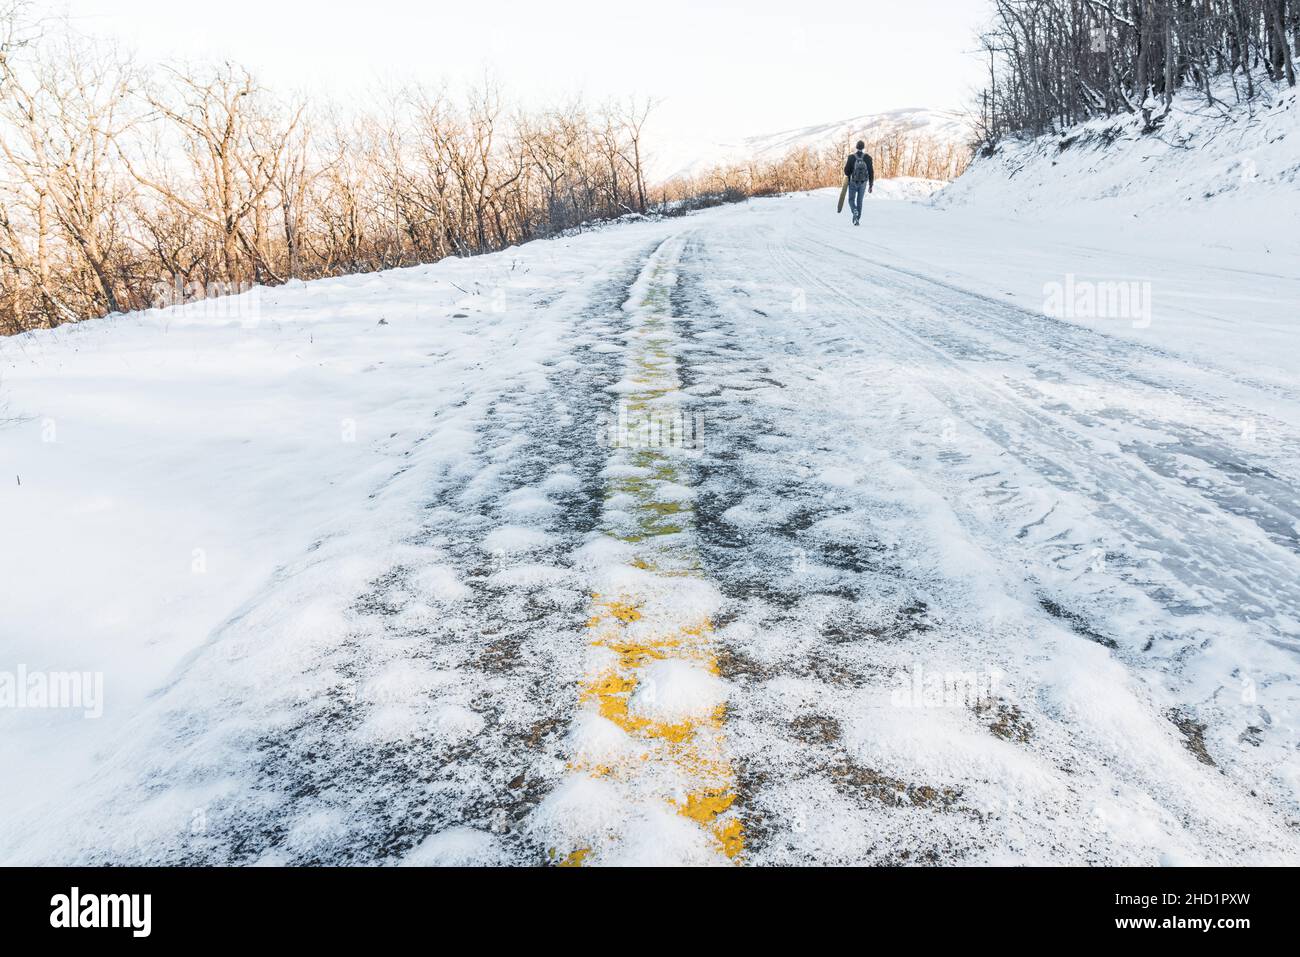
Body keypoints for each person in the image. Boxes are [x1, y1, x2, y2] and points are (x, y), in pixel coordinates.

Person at [843, 141, 874, 226]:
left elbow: (846, 172)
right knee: (859, 201)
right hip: (863, 183)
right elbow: (871, 172)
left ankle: (854, 210)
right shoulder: (868, 158)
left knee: (851, 200)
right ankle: (857, 219)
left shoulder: (851, 157)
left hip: (853, 182)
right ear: (863, 147)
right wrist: (871, 185)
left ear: (856, 147)